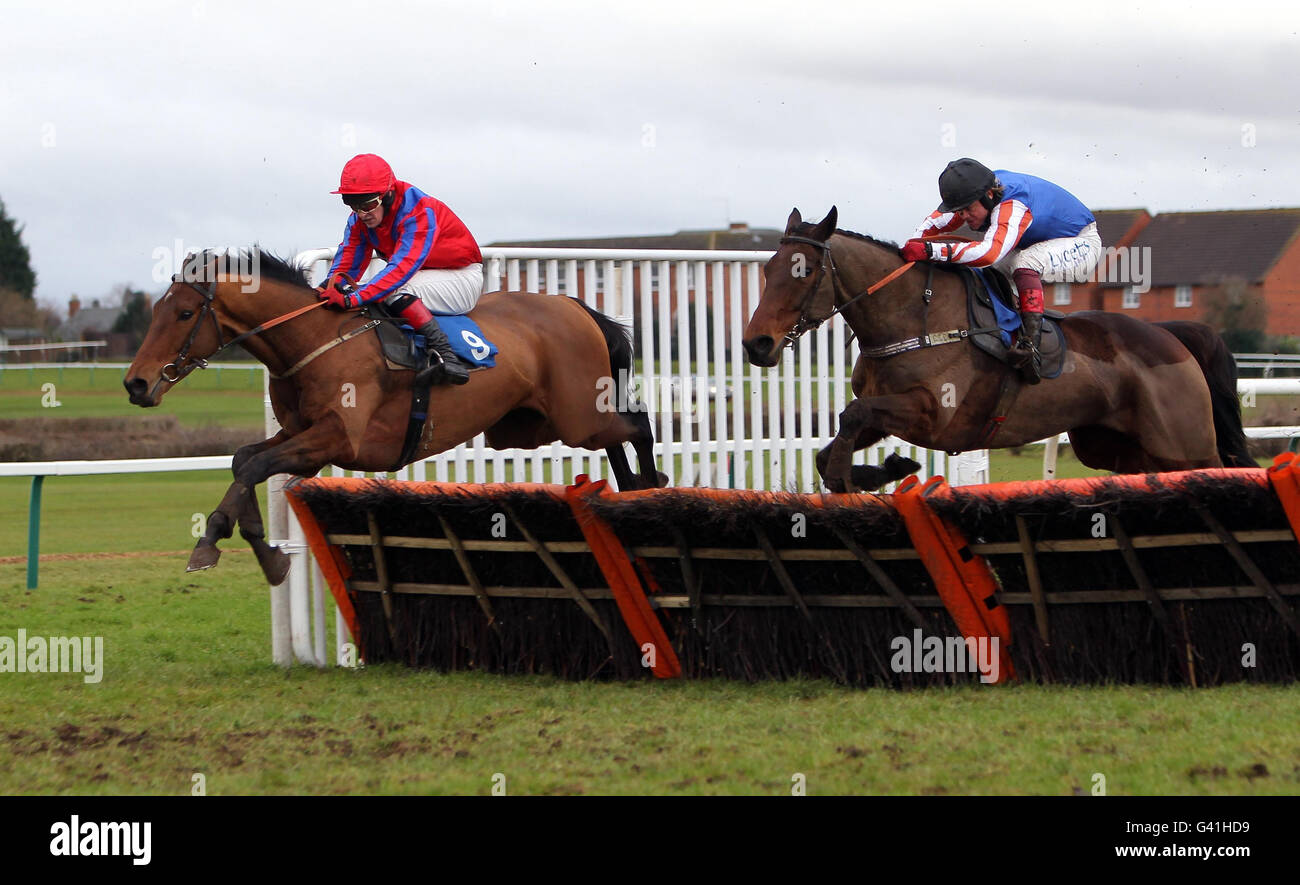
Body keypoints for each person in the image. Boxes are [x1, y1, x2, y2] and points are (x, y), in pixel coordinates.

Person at [899, 158, 1101, 384]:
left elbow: (989, 253)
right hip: (1036, 243)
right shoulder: (973, 193)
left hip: (1081, 242)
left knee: (1022, 263)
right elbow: (928, 229)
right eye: (959, 211)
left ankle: (1030, 347)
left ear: (989, 196)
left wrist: (931, 251)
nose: (963, 217)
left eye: (967, 210)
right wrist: (906, 251)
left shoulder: (1012, 205)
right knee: (989, 269)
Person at [320, 153, 483, 385]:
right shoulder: (359, 219)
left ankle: (446, 354)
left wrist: (352, 299)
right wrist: (329, 288)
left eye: (367, 204)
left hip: (460, 278)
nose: (361, 213)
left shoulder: (419, 212)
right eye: (352, 204)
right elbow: (347, 262)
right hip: (421, 277)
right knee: (364, 292)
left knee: (388, 291)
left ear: (387, 196)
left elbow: (401, 269)